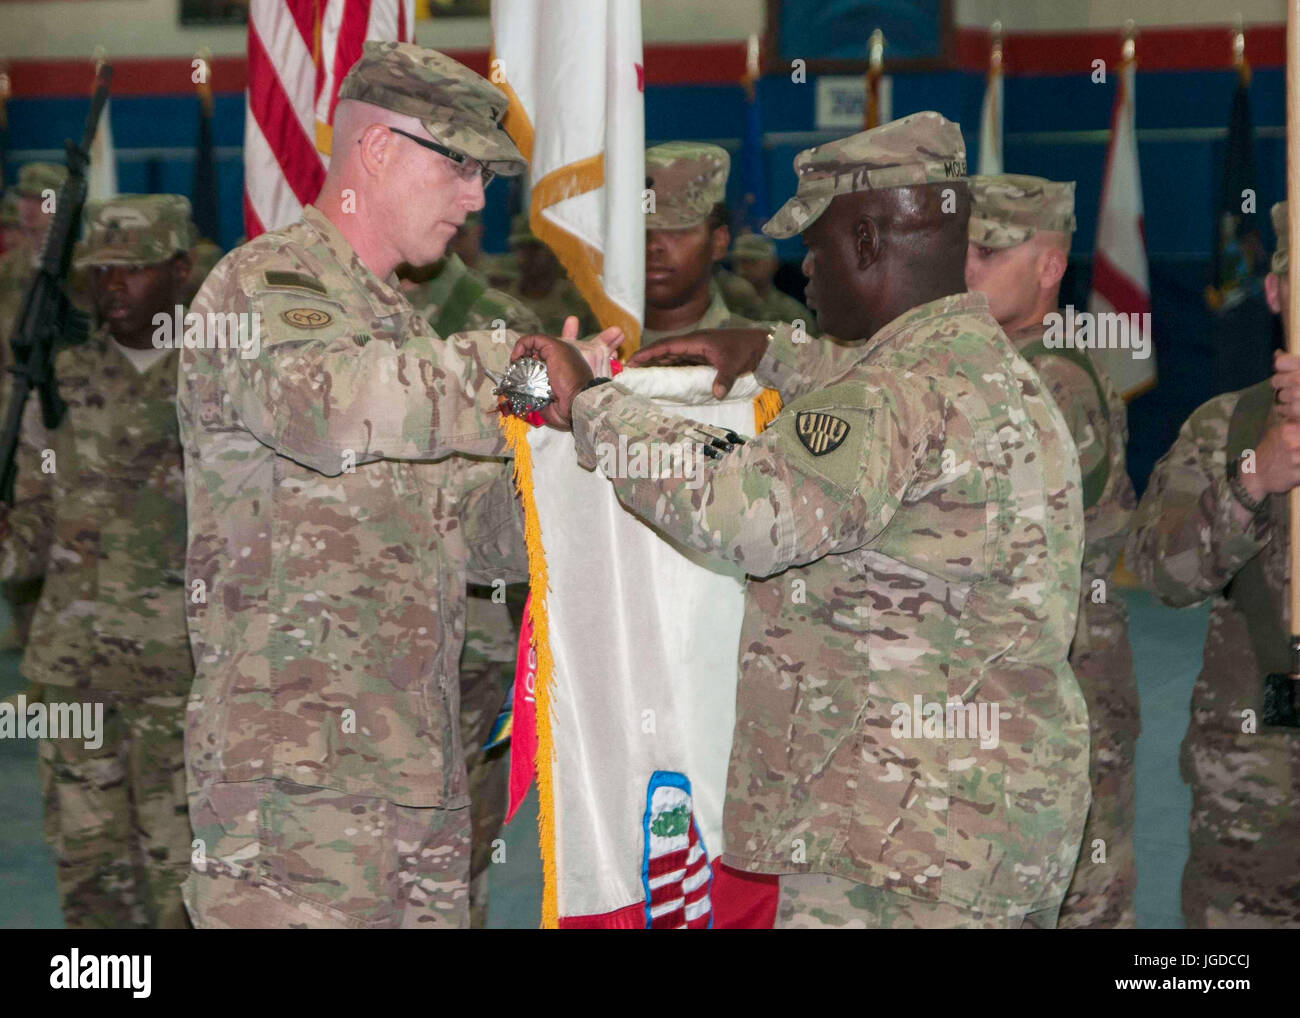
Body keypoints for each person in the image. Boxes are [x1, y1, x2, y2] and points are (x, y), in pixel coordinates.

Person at [512, 112, 1090, 928]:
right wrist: (768, 350)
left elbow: (748, 512)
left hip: (897, 851)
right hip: (974, 830)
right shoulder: (989, 371)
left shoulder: (894, 396)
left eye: (813, 247)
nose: (804, 272)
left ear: (865, 242)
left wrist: (593, 406)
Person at [177, 41, 600, 929]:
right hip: (294, 799)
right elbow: (333, 407)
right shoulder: (263, 285)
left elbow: (461, 527)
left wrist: (588, 467)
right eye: (460, 169)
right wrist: (531, 374)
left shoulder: (400, 324)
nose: (477, 199)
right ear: (376, 151)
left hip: (414, 780)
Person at [0, 194, 195, 928]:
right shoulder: (54, 387)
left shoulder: (220, 383)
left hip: (178, 680)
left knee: (184, 882)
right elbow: (28, 543)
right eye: (99, 272)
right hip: (73, 675)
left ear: (180, 270)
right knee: (90, 881)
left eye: (132, 270)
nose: (111, 286)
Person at [965, 173, 1138, 928]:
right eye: (961, 249)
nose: (966, 267)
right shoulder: (996, 366)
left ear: (1048, 266)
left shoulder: (1054, 379)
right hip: (1006, 689)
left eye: (989, 251)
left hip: (1066, 693)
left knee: (1079, 902)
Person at [1127, 200, 1300, 928]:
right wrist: (1253, 478)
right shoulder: (1225, 425)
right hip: (1251, 791)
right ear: (1273, 293)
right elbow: (1163, 577)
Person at [399, 249, 540, 928]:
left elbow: (533, 487)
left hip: (475, 648)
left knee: (454, 863)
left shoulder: (500, 328)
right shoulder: (342, 319)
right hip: (359, 643)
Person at [0, 164, 68, 652]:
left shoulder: (77, 269)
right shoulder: (9, 268)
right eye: (22, 197)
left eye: (38, 197)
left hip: (58, 414)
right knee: (16, 511)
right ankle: (24, 629)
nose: (27, 205)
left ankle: (50, 641)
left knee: (58, 520)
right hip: (10, 407)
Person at [642, 142, 757, 347]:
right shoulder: (588, 358)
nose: (653, 246)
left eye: (677, 231)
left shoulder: (761, 351)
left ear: (718, 242)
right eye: (641, 233)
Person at [500, 213, 598, 334]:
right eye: (521, 248)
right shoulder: (502, 300)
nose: (528, 256)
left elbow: (597, 340)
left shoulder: (577, 300)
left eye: (535, 248)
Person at [729, 232, 816, 332]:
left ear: (774, 264)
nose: (743, 268)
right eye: (739, 262)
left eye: (752, 261)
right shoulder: (724, 303)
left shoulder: (791, 313)